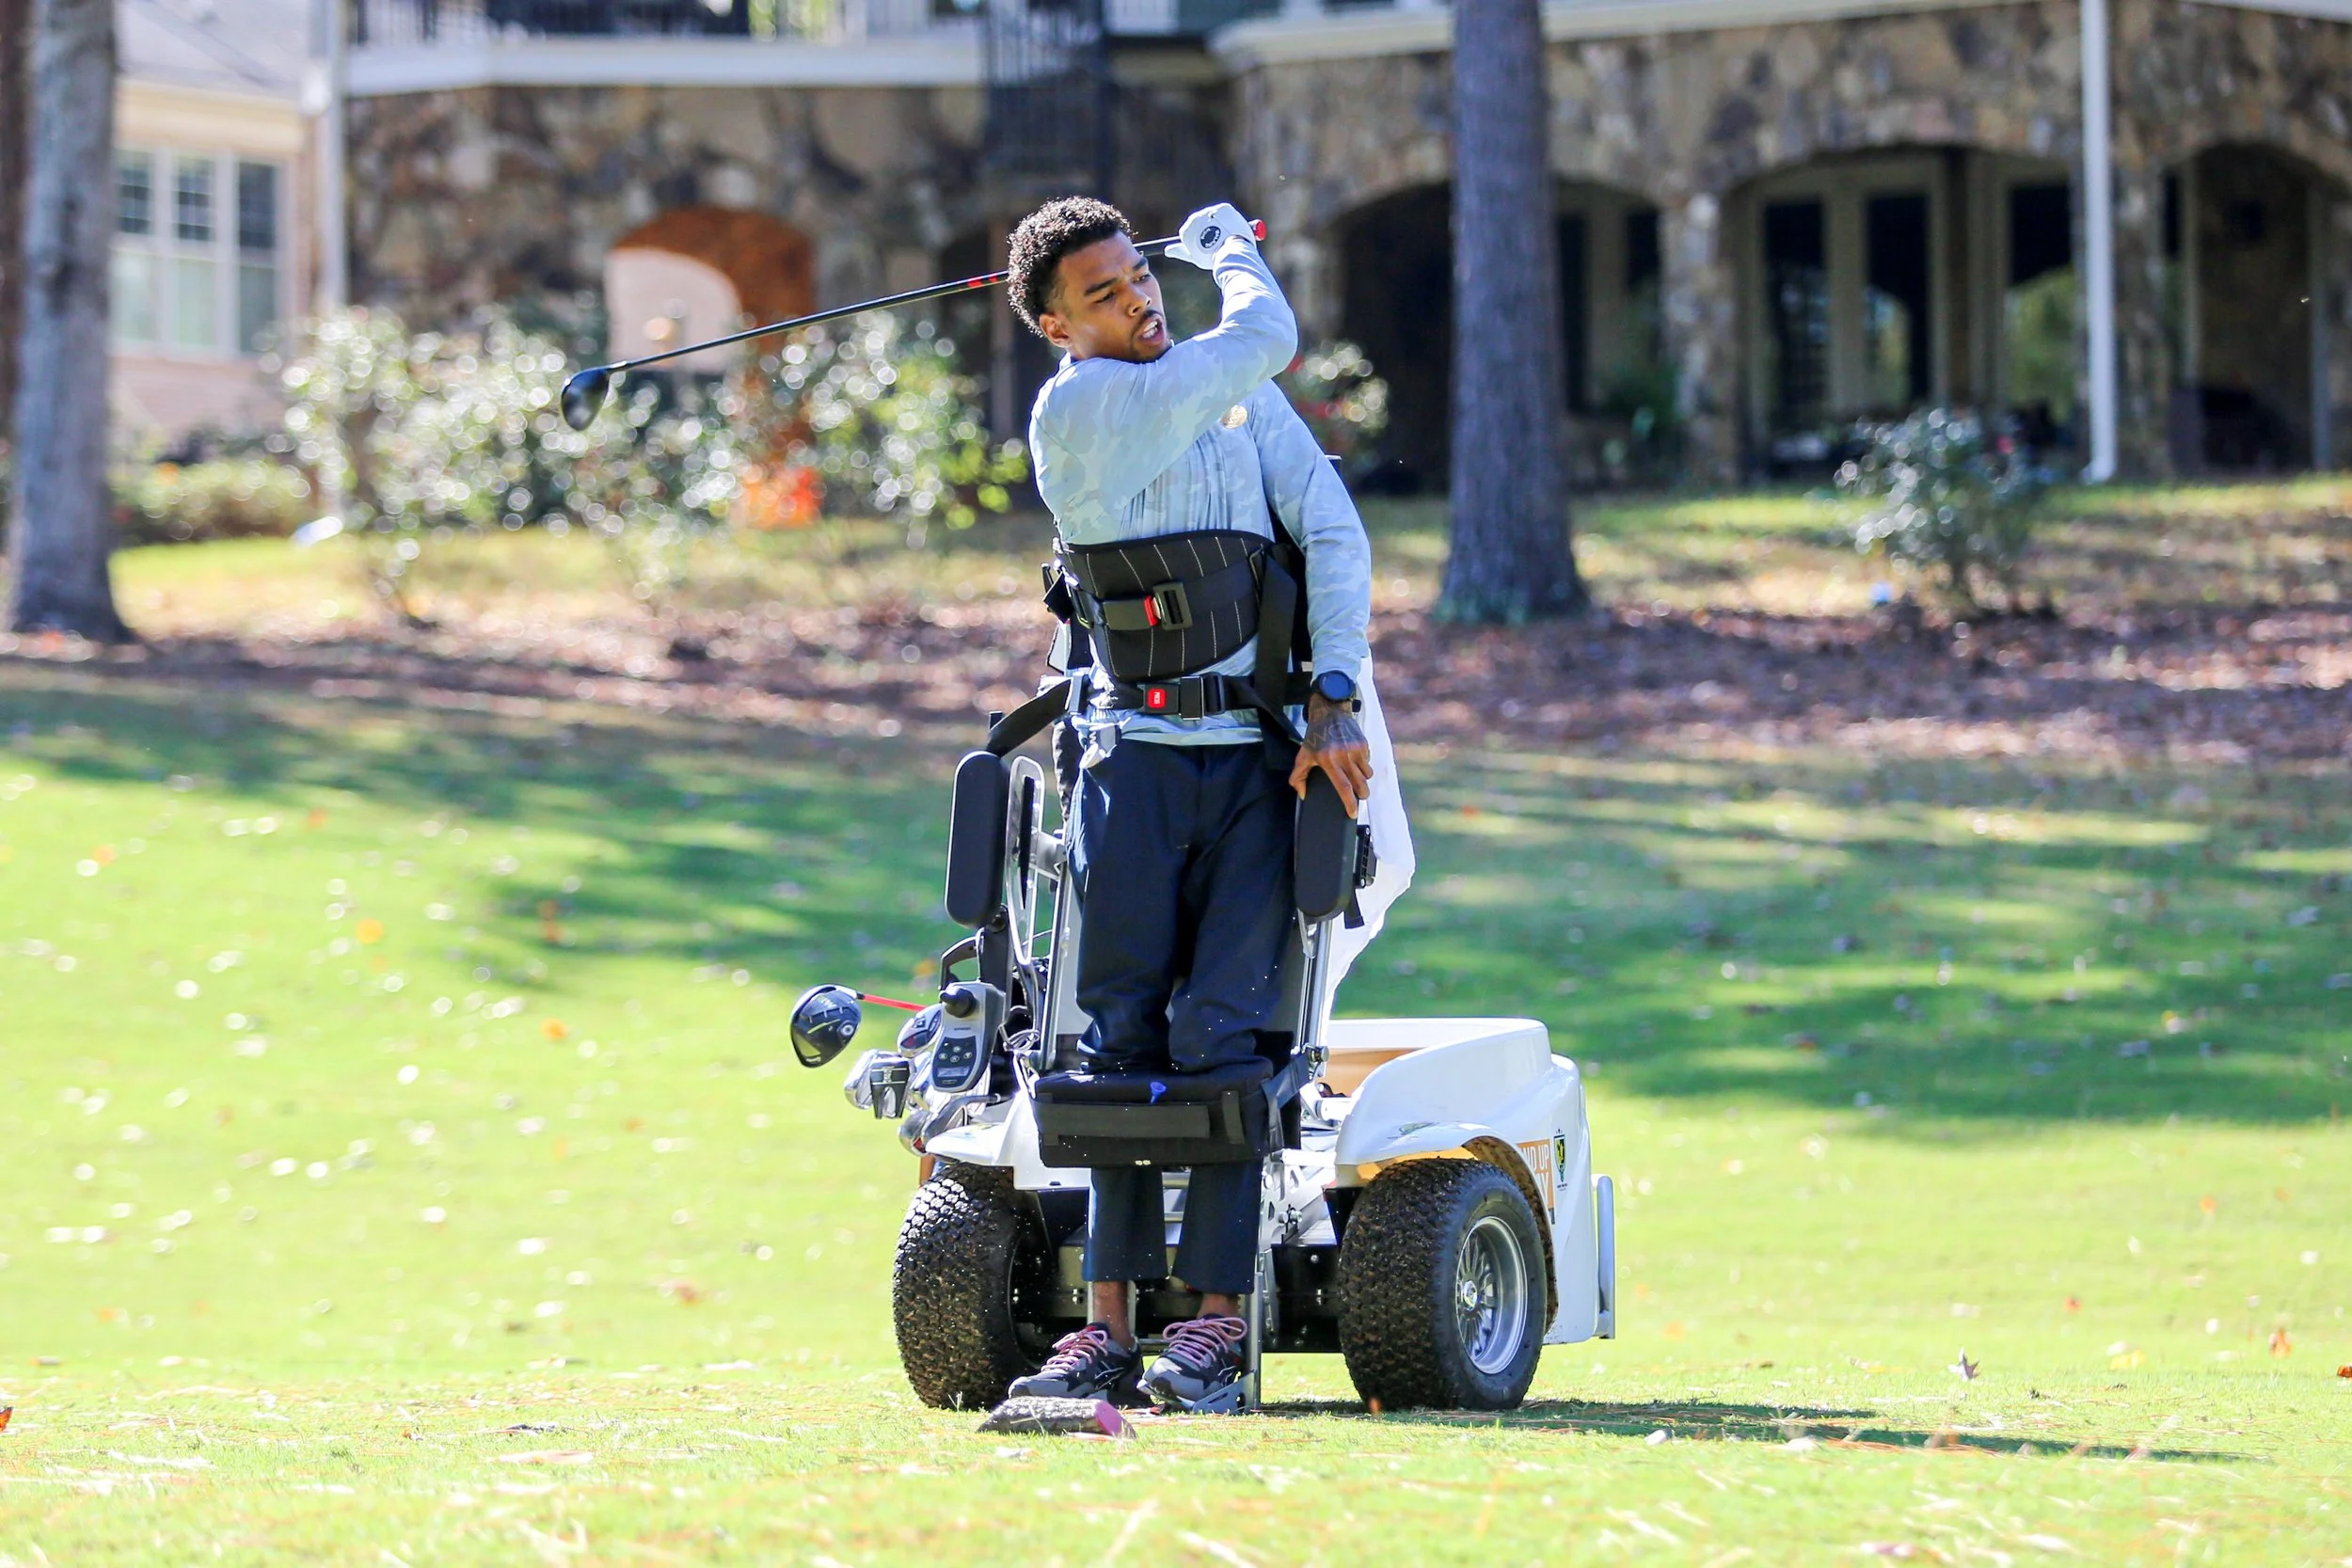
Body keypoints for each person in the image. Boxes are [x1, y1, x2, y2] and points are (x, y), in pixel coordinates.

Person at [996, 198, 1375, 1408]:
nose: (1137, 300)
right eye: (1101, 295)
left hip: (1257, 763)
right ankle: (1105, 1324)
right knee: (1118, 1039)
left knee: (1227, 1041)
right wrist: (1230, 252)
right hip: (1133, 767)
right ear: (1056, 326)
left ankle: (1213, 1328)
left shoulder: (1222, 392)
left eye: (1139, 277)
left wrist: (1331, 695)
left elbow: (1328, 529)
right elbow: (1261, 339)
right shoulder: (1082, 411)